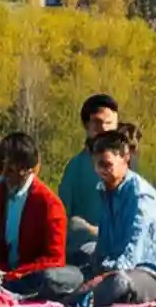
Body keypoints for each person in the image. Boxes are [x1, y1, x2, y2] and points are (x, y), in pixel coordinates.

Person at [65, 128, 156, 306]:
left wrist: (104, 274)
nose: (102, 171)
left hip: (148, 273)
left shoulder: (140, 195)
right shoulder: (105, 190)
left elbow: (133, 250)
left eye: (107, 165)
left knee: (118, 283)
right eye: (98, 165)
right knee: (65, 275)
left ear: (126, 158)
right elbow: (103, 246)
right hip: (112, 268)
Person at [0, 132, 84, 300]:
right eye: (5, 167)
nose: (7, 174)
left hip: (34, 286)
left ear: (29, 168)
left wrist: (15, 275)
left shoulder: (50, 204)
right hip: (0, 283)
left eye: (14, 168)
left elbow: (54, 259)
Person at [58, 94, 120, 266]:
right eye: (98, 123)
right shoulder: (75, 167)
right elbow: (62, 216)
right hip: (84, 248)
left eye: (109, 124)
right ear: (87, 125)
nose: (104, 129)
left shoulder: (128, 166)